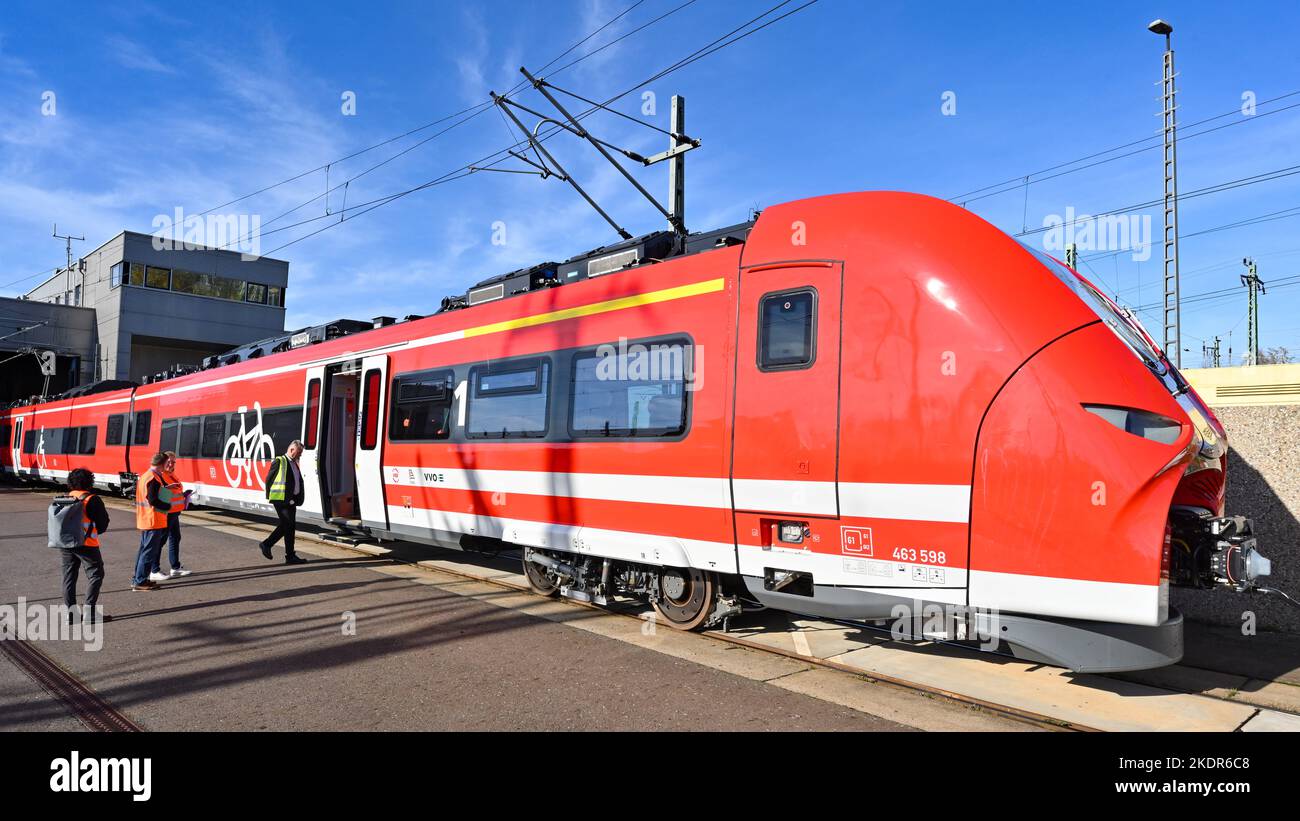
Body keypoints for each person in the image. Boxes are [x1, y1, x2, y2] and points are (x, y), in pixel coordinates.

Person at [62, 468, 112, 622]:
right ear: (90, 481)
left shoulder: (66, 497)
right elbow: (103, 524)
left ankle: (71, 615)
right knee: (96, 575)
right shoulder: (92, 499)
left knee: (69, 577)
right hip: (87, 544)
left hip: (65, 543)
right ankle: (89, 613)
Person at [258, 441, 307, 565]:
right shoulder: (280, 461)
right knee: (287, 525)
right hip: (281, 500)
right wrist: (270, 496)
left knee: (289, 527)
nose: (300, 455)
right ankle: (267, 545)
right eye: (299, 452)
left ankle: (289, 555)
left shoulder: (294, 463)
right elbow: (269, 479)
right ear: (291, 450)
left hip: (292, 501)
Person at [131, 452, 174, 591]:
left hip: (146, 519)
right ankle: (140, 581)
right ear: (162, 464)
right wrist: (167, 506)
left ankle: (138, 578)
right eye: (168, 462)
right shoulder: (154, 478)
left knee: (144, 550)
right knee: (148, 551)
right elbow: (153, 500)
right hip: (153, 520)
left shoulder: (146, 476)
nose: (169, 465)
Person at [148, 451, 192, 580]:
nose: (172, 464)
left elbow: (174, 492)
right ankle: (154, 570)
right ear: (163, 462)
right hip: (166, 513)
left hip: (174, 512)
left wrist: (184, 496)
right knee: (160, 541)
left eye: (174, 462)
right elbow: (157, 494)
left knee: (175, 538)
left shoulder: (172, 474)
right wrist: (168, 487)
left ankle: (175, 568)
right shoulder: (160, 475)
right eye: (169, 462)